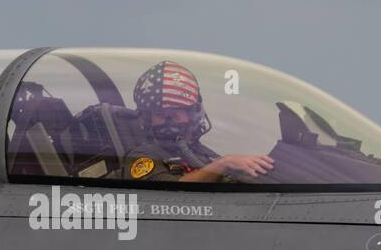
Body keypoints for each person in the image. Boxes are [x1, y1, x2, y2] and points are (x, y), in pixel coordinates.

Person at [112, 60, 274, 182]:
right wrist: (223, 164)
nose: (169, 121)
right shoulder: (143, 156)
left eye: (176, 113)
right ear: (148, 119)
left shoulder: (203, 154)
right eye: (161, 115)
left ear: (192, 114)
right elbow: (167, 196)